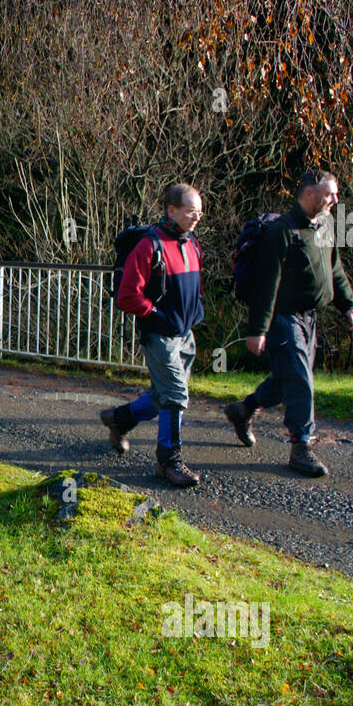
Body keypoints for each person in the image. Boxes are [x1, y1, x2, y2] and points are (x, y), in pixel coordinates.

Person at [222, 169, 353, 476]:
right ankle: (301, 447)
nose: (335, 200)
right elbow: (267, 284)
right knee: (300, 380)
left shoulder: (325, 224)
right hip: (282, 319)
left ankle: (243, 410)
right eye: (330, 194)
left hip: (309, 318)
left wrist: (347, 305)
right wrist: (257, 330)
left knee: (289, 379)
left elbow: (334, 268)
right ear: (308, 194)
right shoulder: (281, 233)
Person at [100, 183, 205, 487]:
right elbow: (127, 296)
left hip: (184, 334)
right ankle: (168, 461)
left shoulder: (191, 243)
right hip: (160, 336)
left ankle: (119, 419)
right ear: (171, 210)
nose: (196, 217)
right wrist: (156, 316)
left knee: (164, 397)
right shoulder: (149, 246)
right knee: (175, 395)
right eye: (190, 211)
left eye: (199, 212)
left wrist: (192, 316)